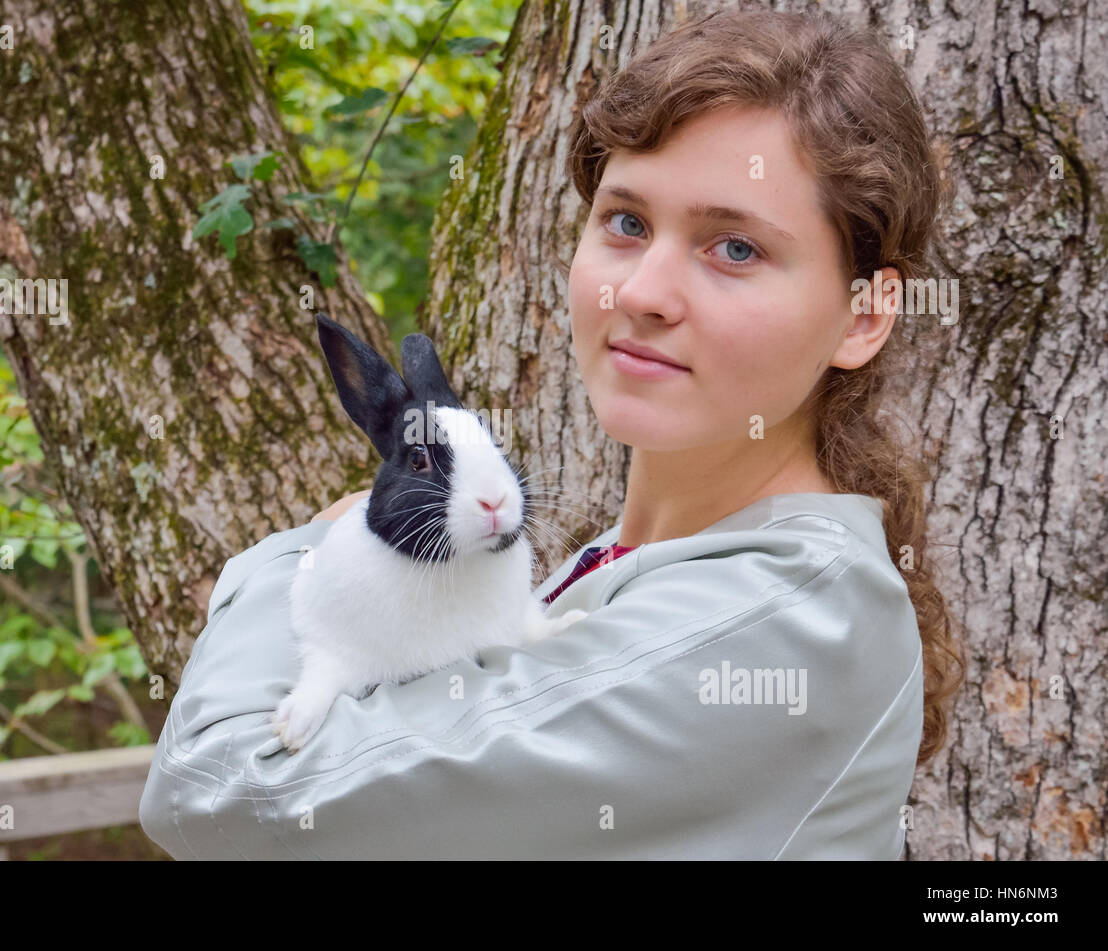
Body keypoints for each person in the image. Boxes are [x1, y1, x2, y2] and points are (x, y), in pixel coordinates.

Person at [139, 9, 966, 860]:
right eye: (628, 223)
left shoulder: (780, 618)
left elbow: (218, 791)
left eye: (735, 248)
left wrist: (309, 561)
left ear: (864, 315)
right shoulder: (612, 567)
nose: (644, 291)